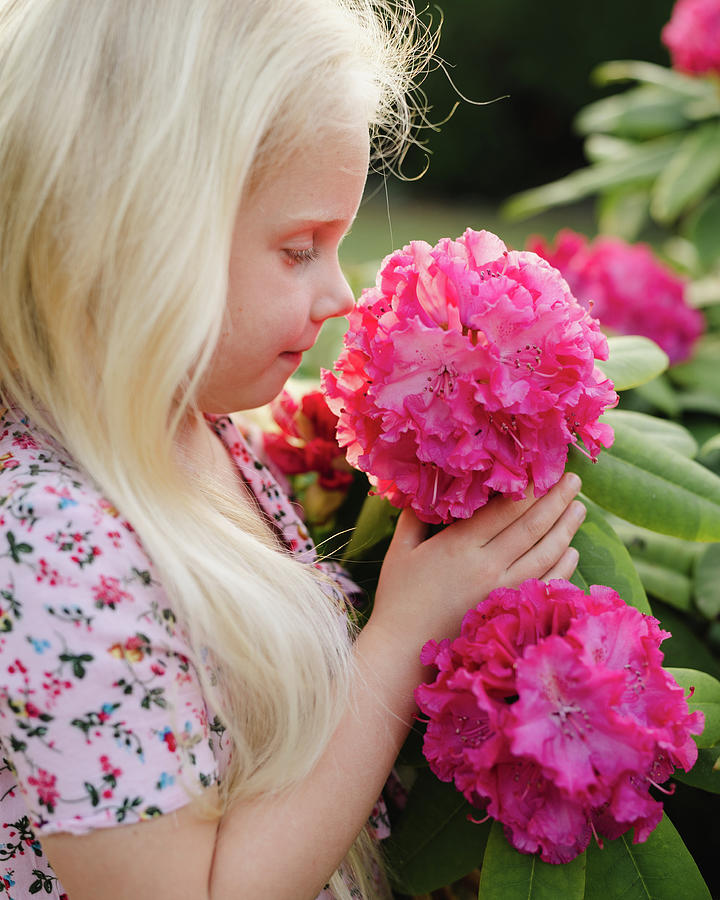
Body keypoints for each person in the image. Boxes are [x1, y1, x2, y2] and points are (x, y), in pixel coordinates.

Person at [0, 1, 586, 897]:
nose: (341, 295)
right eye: (299, 248)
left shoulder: (191, 421)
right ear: (130, 235)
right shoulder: (47, 543)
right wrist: (400, 639)